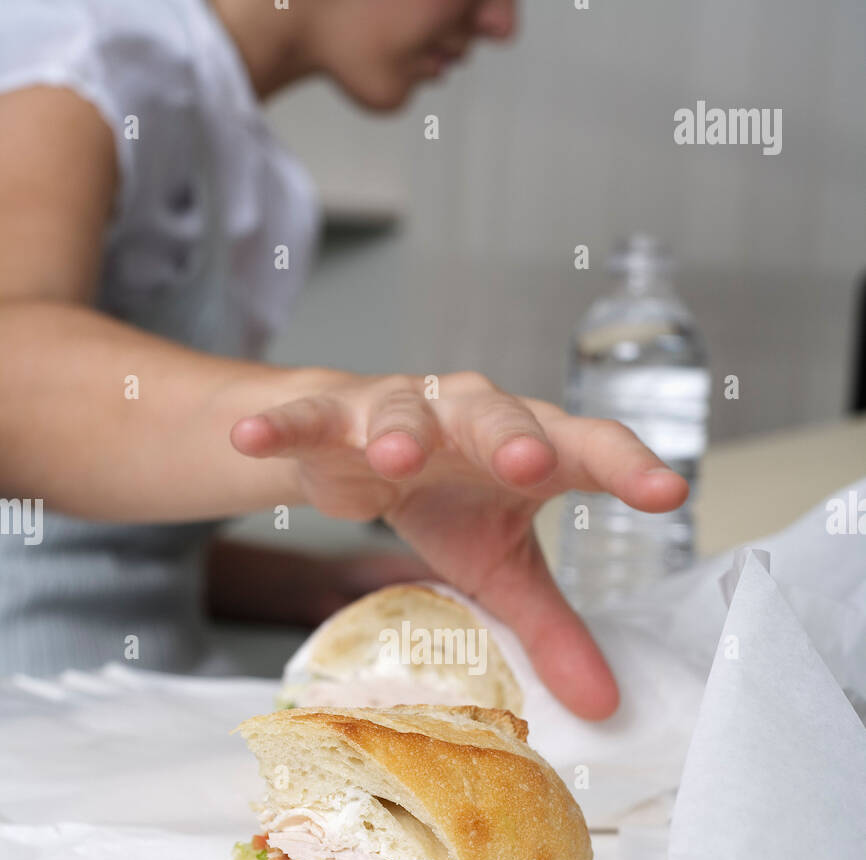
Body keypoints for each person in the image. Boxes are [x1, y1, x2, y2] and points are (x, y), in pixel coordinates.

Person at [0, 0, 687, 718]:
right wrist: (345, 416)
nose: (501, 24)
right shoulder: (85, 47)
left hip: (141, 692)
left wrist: (311, 584)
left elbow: (73, 528)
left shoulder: (224, 134)